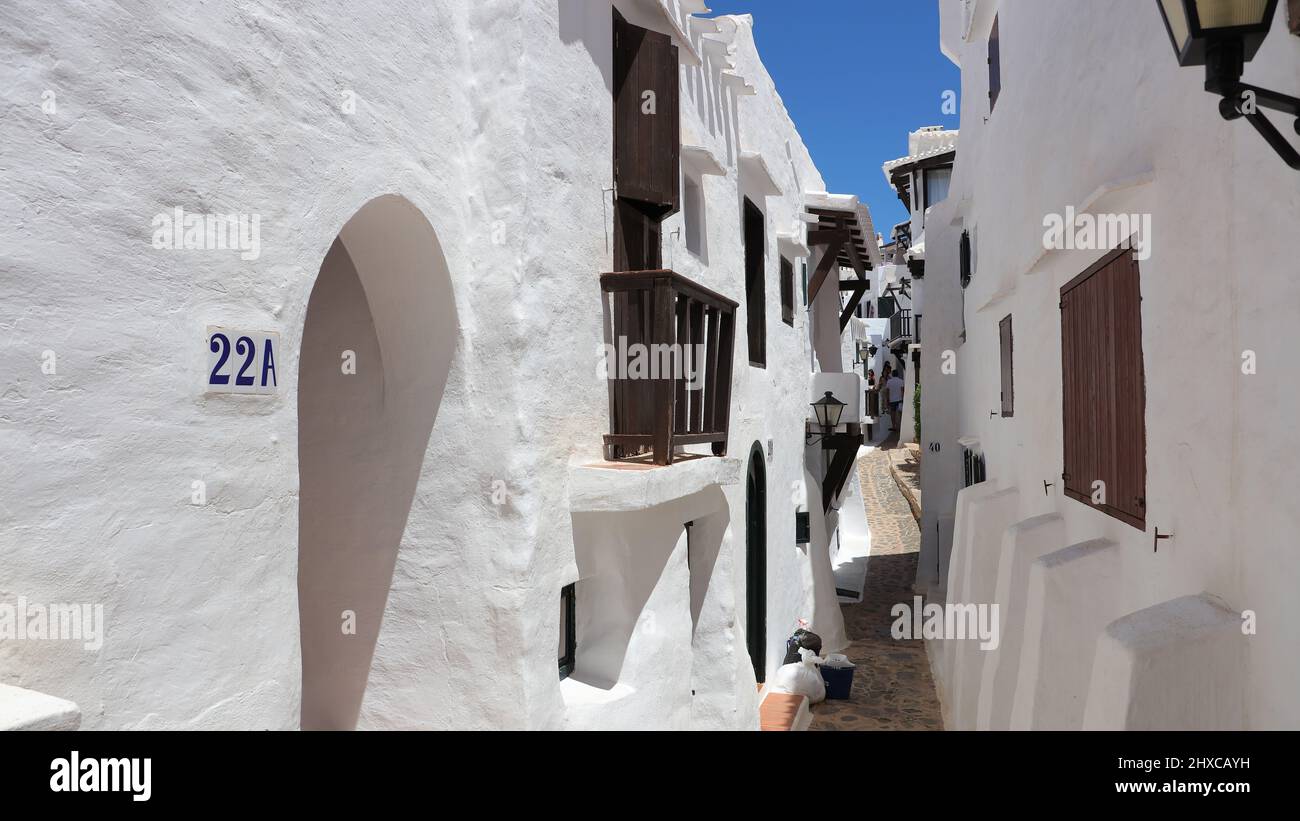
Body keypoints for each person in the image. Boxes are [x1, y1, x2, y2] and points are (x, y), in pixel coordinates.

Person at [885, 368, 905, 435]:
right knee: (900, 414)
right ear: (898, 374)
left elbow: (887, 391)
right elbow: (902, 391)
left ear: (892, 375)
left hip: (892, 400)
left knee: (892, 414)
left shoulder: (889, 381)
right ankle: (900, 427)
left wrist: (887, 399)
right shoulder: (901, 381)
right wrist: (902, 399)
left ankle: (894, 426)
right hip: (899, 400)